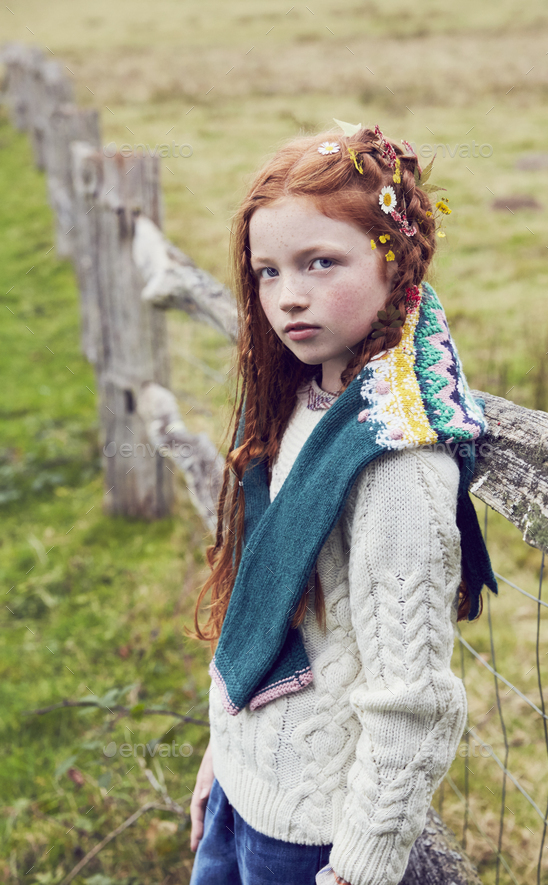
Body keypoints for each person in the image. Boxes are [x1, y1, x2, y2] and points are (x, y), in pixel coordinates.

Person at [187, 121, 498, 885]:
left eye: (321, 263)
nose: (288, 297)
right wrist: (221, 759)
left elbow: (412, 706)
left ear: (396, 265)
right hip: (243, 787)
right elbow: (263, 609)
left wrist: (355, 871)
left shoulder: (394, 462)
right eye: (267, 272)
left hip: (310, 838)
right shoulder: (294, 399)